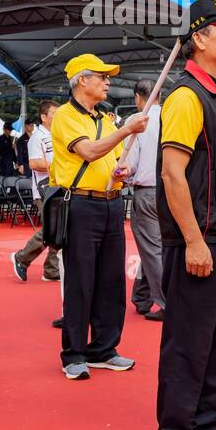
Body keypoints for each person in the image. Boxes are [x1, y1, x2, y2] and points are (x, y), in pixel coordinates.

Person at [156, 0, 216, 430]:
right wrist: (195, 241)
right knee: (188, 344)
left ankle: (206, 427)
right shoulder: (185, 96)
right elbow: (172, 173)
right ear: (199, 38)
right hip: (201, 242)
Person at [53, 54, 147, 380]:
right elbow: (90, 152)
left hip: (111, 202)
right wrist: (126, 131)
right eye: (103, 76)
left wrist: (124, 170)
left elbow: (115, 160)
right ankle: (74, 353)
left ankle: (104, 349)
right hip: (80, 204)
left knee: (110, 281)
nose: (108, 82)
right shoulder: (65, 116)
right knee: (81, 281)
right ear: (82, 80)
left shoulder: (105, 117)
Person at [123, 78, 165, 321]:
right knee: (155, 246)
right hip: (170, 190)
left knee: (151, 248)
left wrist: (123, 173)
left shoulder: (139, 121)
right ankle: (142, 297)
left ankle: (166, 301)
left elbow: (131, 162)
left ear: (138, 97)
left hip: (147, 191)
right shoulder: (171, 117)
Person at [11, 101, 61, 283]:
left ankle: (51, 269)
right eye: (54, 113)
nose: (58, 116)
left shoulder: (57, 134)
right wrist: (59, 165)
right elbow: (33, 163)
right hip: (45, 190)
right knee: (51, 229)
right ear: (44, 117)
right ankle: (22, 258)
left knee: (59, 228)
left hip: (58, 187)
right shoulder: (37, 137)